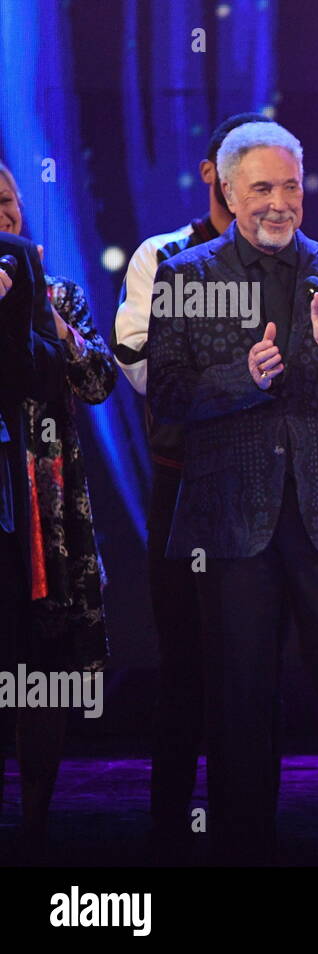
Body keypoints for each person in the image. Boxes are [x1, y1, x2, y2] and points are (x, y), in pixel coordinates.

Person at [146, 120, 318, 865]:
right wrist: (239, 380)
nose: (281, 202)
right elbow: (166, 394)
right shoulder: (186, 275)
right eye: (262, 188)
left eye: (291, 185)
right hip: (231, 524)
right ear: (227, 190)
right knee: (240, 704)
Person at [111, 110, 264, 860]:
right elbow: (141, 366)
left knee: (253, 659)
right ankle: (168, 823)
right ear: (215, 176)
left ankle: (247, 822)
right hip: (186, 478)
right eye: (247, 172)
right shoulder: (164, 255)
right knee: (183, 659)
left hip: (270, 483)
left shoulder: (294, 259)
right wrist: (232, 373)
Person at [0, 162, 116, 856]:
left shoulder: (60, 294)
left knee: (41, 665)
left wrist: (40, 309)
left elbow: (99, 380)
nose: (2, 213)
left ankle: (36, 823)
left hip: (45, 513)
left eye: (8, 200)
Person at [0, 231, 67, 851]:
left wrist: (7, 309)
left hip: (17, 496)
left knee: (26, 654)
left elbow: (47, 372)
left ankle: (34, 826)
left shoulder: (12, 260)